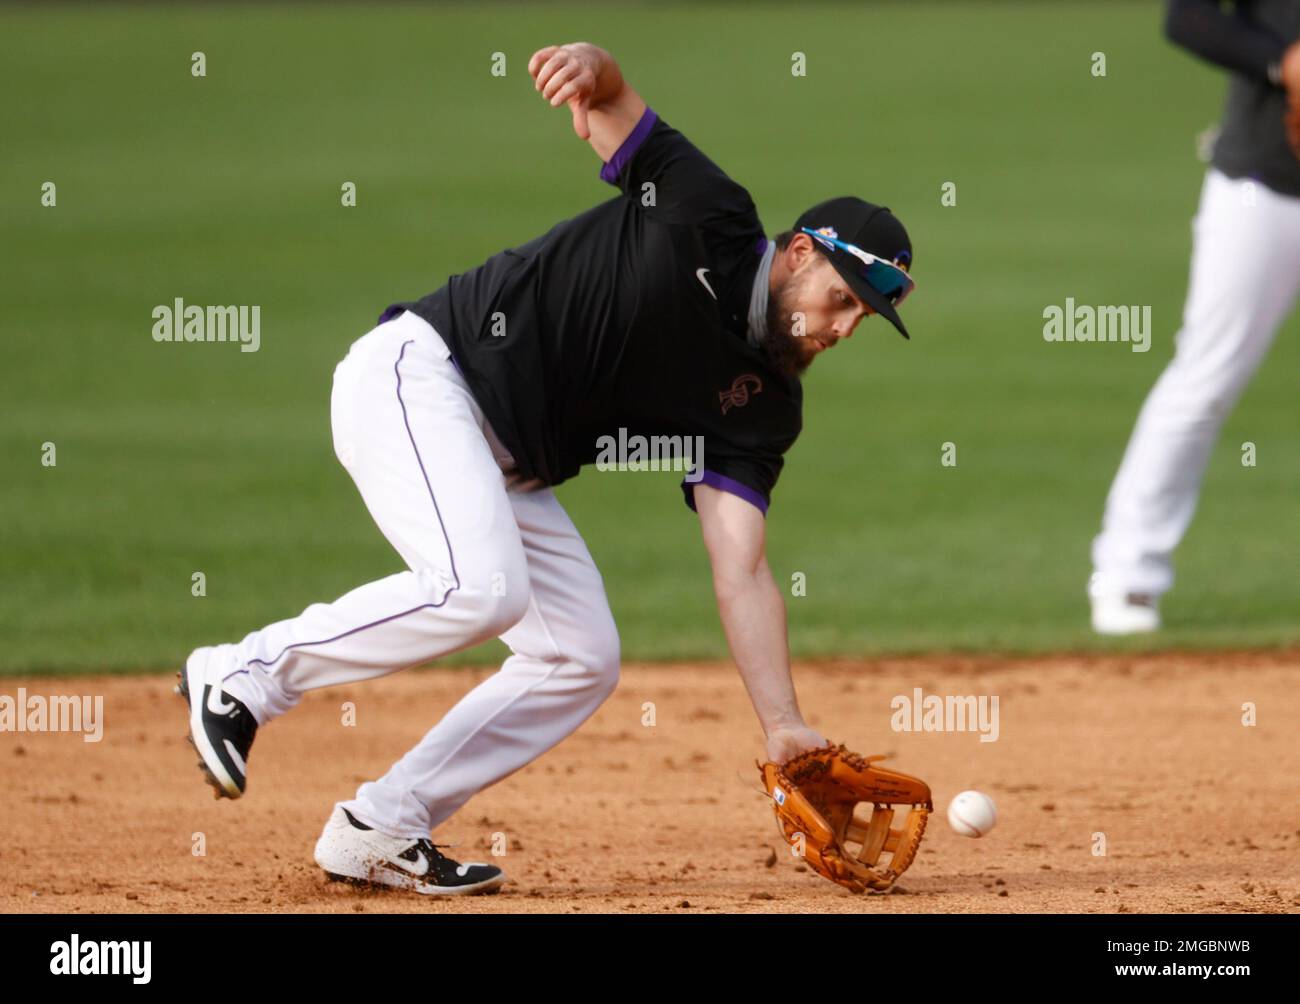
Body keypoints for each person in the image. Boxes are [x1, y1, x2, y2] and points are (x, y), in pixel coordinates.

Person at [176, 41, 917, 895]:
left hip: (508, 465)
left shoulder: (766, 406)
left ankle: (383, 825)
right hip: (423, 377)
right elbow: (612, 101)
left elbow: (741, 567)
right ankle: (244, 675)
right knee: (481, 589)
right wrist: (588, 64)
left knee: (581, 655)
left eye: (864, 317)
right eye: (844, 299)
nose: (844, 328)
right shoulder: (705, 211)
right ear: (797, 255)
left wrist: (784, 725)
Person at [1089, 0, 1300, 634]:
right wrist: (1281, 60)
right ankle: (1129, 576)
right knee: (1206, 378)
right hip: (1263, 184)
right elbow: (1188, 17)